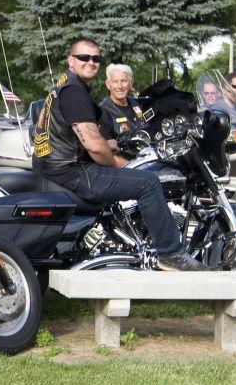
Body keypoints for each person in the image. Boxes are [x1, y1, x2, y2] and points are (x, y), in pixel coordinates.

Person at [32, 37, 204, 271]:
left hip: (57, 167)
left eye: (96, 59)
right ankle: (171, 254)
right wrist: (114, 161)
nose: (90, 62)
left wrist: (108, 143)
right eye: (84, 57)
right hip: (73, 172)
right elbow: (93, 145)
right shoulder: (73, 91)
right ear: (70, 60)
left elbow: (80, 136)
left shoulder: (64, 87)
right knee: (149, 182)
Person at [99, 63, 145, 138]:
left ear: (131, 83)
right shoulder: (102, 111)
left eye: (123, 81)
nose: (119, 86)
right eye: (115, 81)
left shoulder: (138, 103)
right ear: (108, 84)